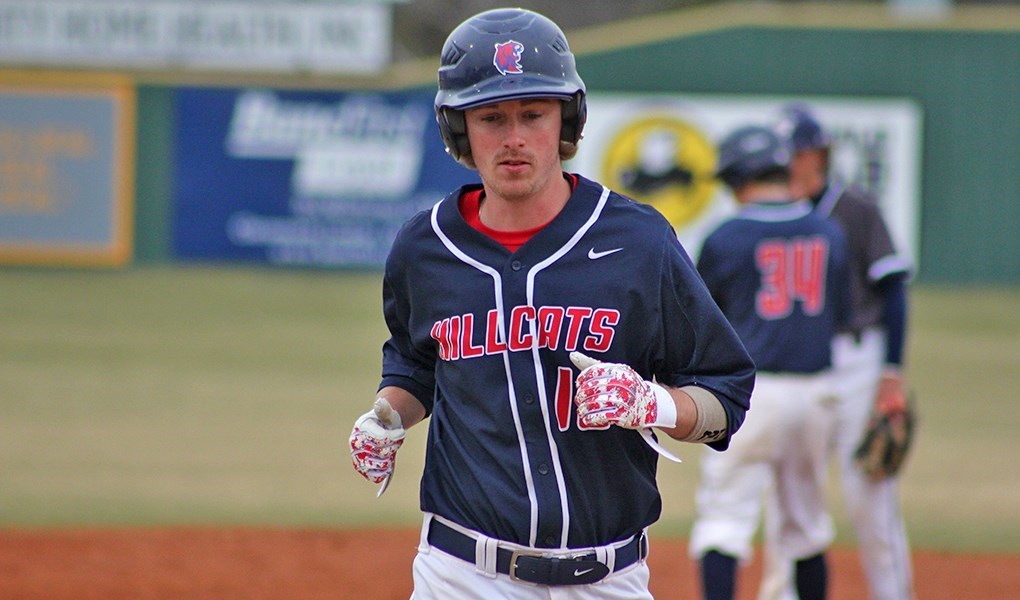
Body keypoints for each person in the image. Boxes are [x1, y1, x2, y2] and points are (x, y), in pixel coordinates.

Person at [347, 8, 756, 599]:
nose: (513, 138)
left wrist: (654, 403)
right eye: (490, 117)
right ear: (460, 130)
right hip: (461, 575)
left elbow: (727, 393)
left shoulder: (638, 241)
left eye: (532, 114)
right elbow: (417, 368)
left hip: (607, 578)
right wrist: (386, 416)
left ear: (566, 120)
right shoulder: (424, 247)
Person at [757, 104, 915, 600]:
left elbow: (894, 291)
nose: (787, 164)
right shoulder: (773, 213)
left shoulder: (856, 209)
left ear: (817, 155)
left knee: (869, 497)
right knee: (789, 497)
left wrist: (891, 371)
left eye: (795, 154)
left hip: (854, 363)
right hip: (796, 367)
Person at [687, 125, 852, 600]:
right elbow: (839, 315)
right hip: (817, 391)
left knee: (723, 521)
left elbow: (703, 321)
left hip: (750, 396)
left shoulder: (726, 237)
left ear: (740, 176)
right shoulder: (829, 231)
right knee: (807, 525)